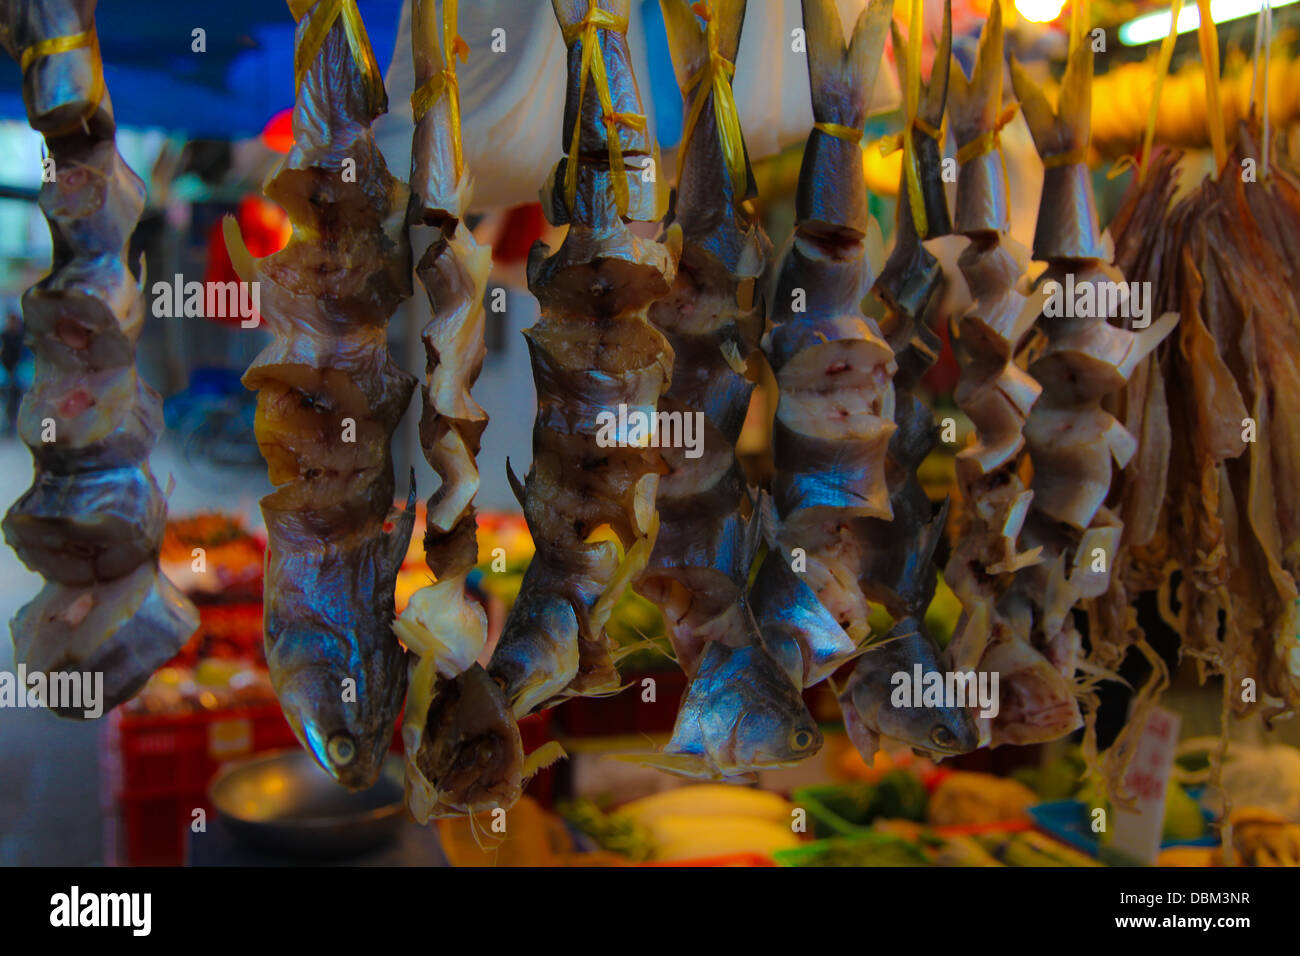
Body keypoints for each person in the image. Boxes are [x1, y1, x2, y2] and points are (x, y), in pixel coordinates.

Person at [1, 311, 23, 435]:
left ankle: (12, 424)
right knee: (7, 399)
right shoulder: (4, 336)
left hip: (18, 375)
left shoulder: (22, 338)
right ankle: (8, 424)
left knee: (15, 399)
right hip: (6, 373)